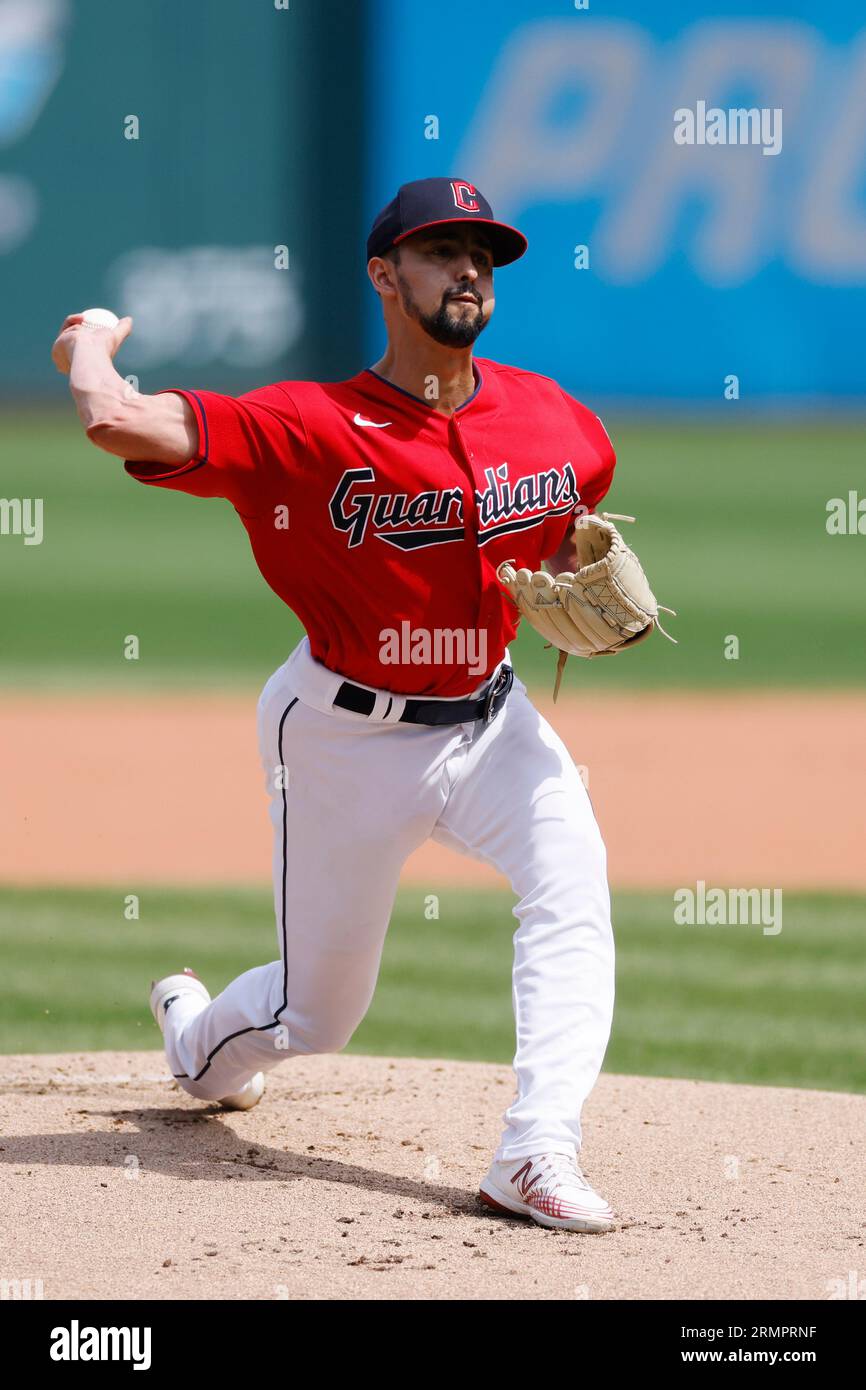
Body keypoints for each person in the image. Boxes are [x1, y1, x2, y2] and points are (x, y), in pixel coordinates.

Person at [51, 178, 619, 1233]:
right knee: (315, 1014)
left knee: (572, 884)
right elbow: (114, 419)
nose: (466, 270)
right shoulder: (304, 427)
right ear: (382, 274)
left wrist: (577, 585)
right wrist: (85, 343)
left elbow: (567, 526)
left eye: (481, 254)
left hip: (491, 720)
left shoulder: (559, 421)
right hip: (342, 737)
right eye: (439, 250)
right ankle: (193, 1040)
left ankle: (535, 1150)